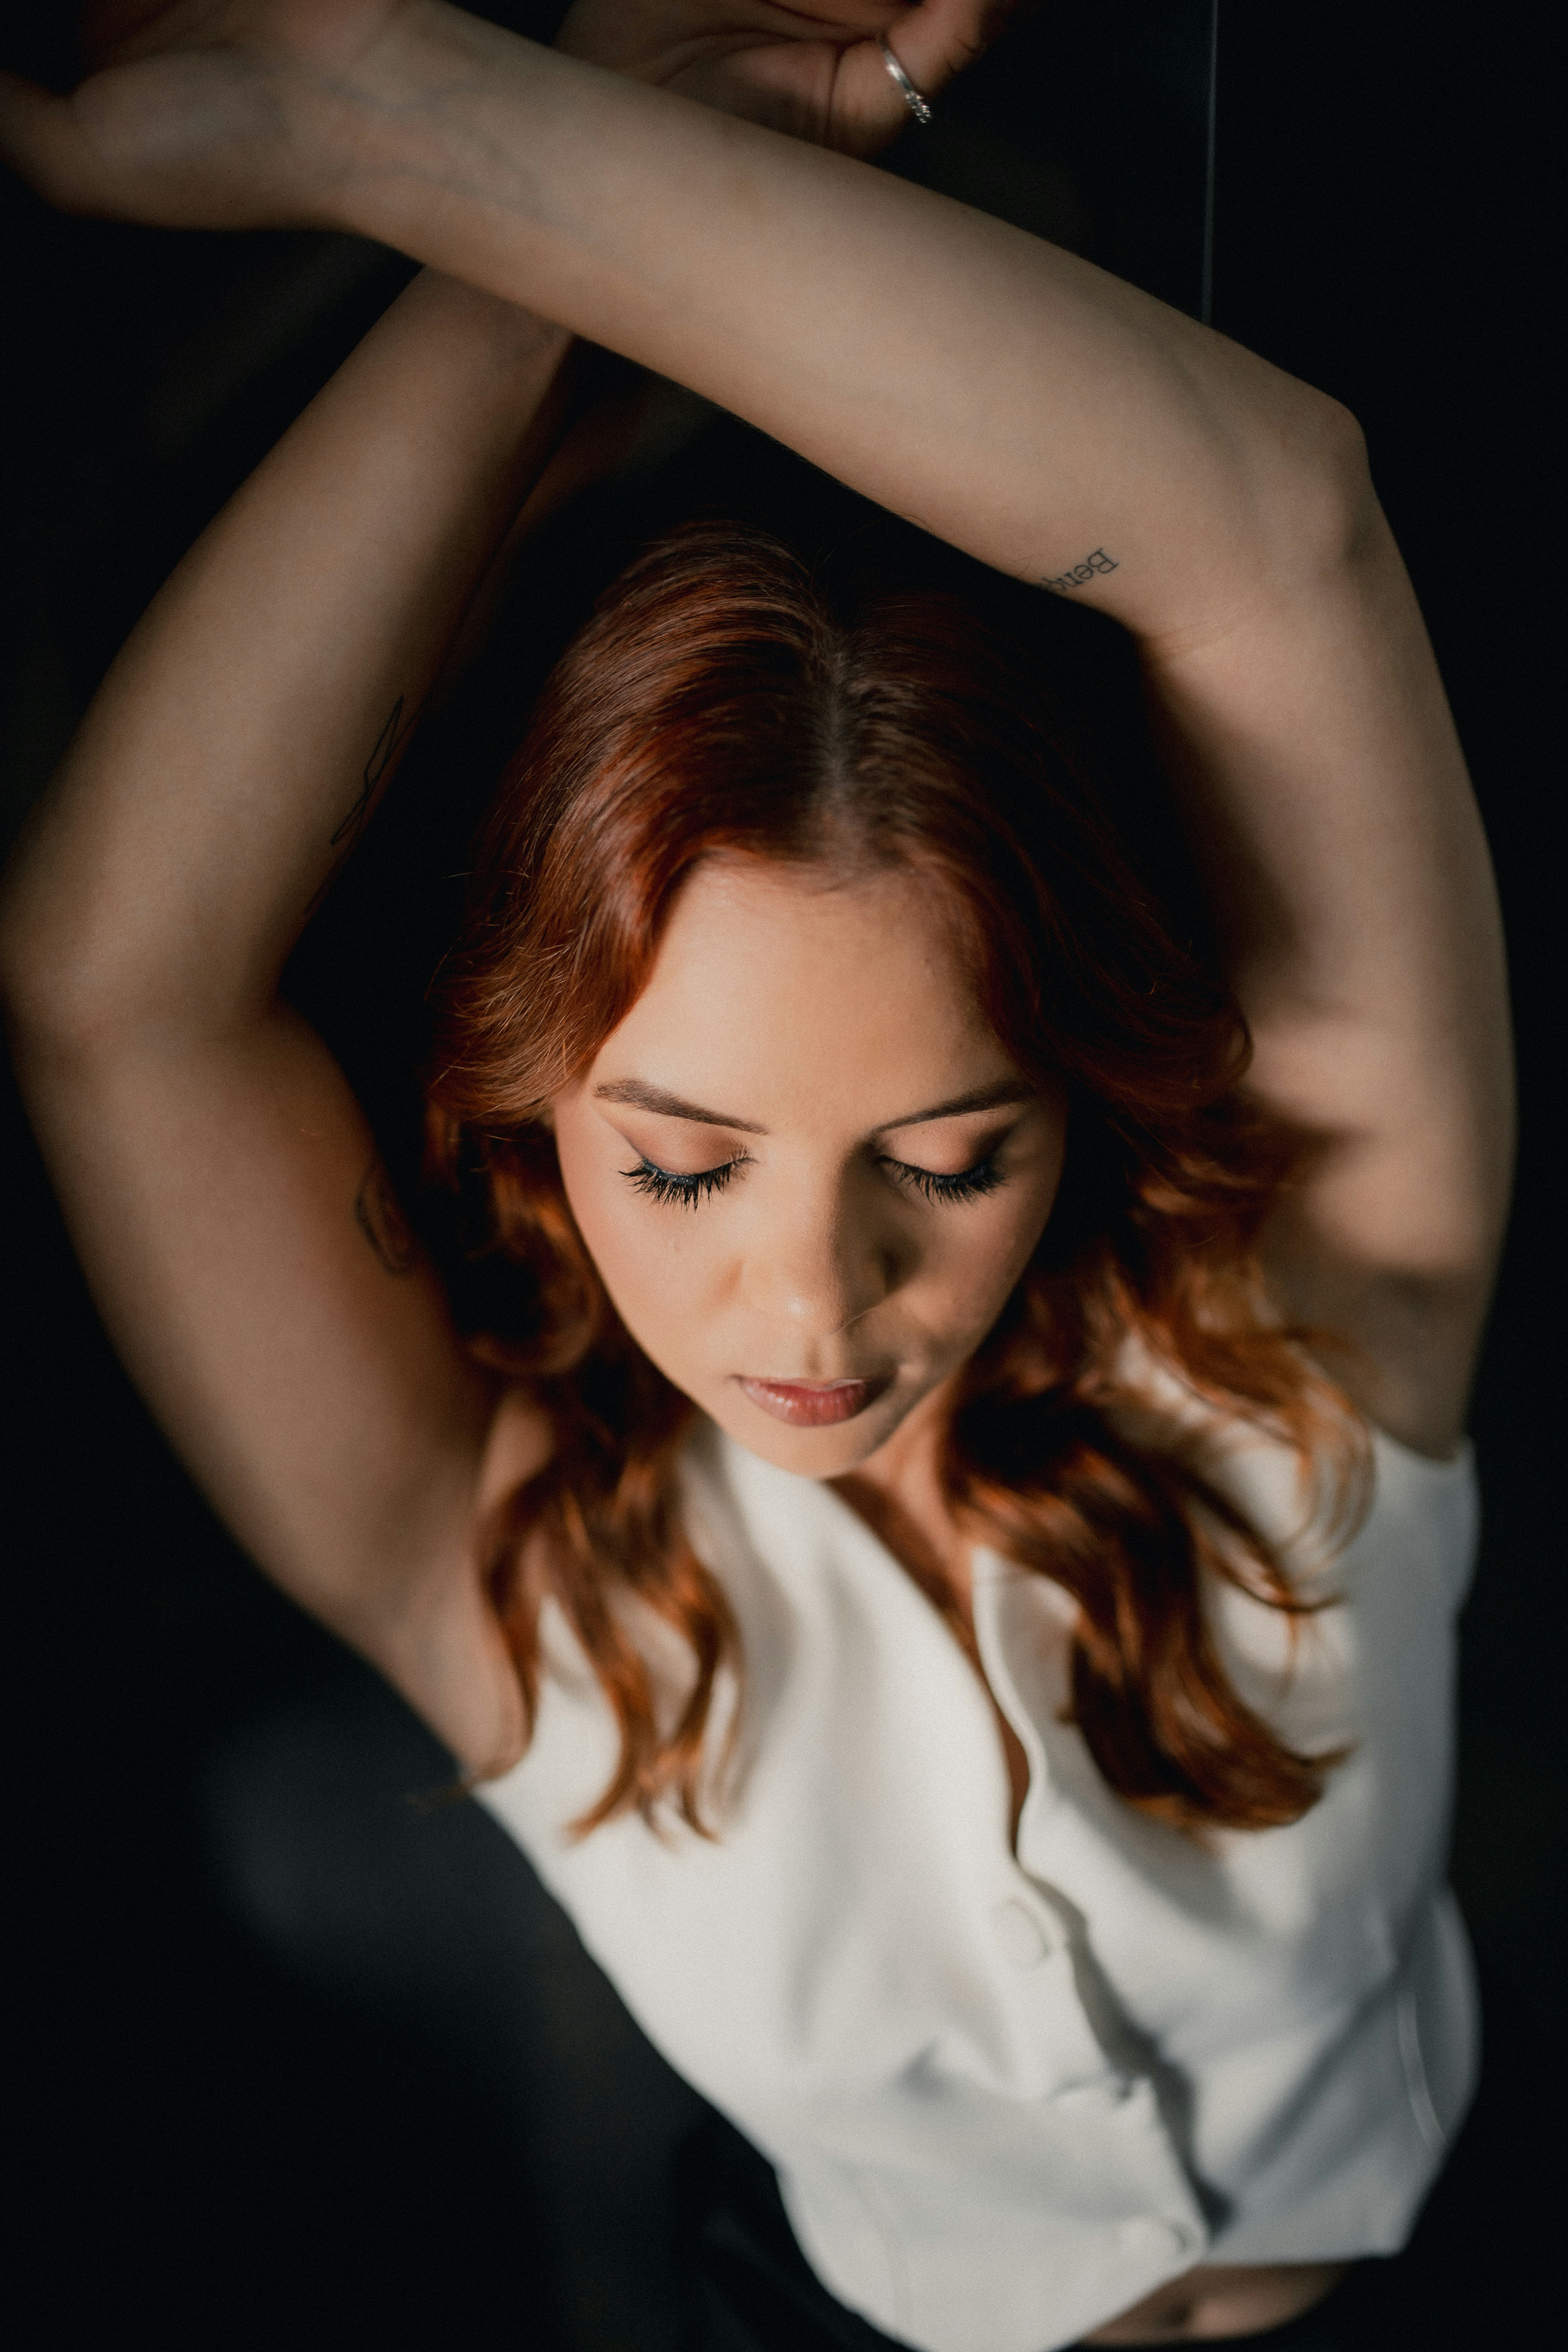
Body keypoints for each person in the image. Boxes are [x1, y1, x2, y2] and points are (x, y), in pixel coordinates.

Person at [0, 4, 1514, 2347]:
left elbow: (1278, 527)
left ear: (1076, 1092)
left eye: (955, 1155)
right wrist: (506, 256)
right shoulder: (516, 1573)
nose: (818, 1311)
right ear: (542, 1101)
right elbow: (118, 990)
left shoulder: (1315, 1326)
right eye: (687, 1170)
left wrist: (409, 118)